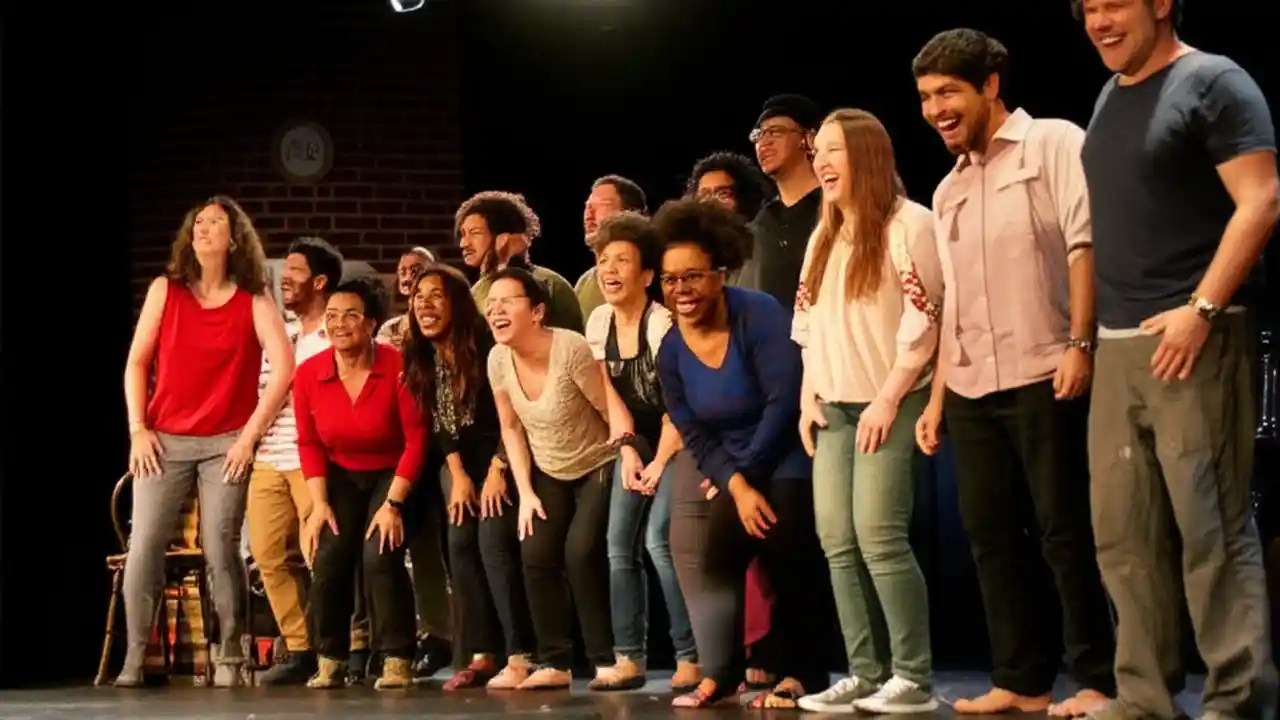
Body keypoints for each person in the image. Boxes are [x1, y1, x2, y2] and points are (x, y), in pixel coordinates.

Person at [1075, 1, 1280, 718]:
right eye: (1089, 8)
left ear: (1160, 3)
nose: (1099, 20)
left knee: (1212, 529)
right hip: (1119, 345)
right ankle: (1144, 699)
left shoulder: (1215, 82)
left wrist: (1202, 310)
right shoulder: (1108, 95)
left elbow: (1260, 201)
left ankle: (1237, 698)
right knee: (1124, 536)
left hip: (1193, 339)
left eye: (1114, 4)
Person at [910, 28, 1118, 716]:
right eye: (926, 97)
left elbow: (1087, 245)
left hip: (1044, 367)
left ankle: (1094, 679)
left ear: (990, 86)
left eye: (948, 93)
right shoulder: (947, 191)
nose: (936, 108)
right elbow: (956, 303)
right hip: (971, 385)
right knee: (991, 536)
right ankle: (1021, 681)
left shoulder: (1054, 142)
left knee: (1064, 530)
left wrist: (1080, 344)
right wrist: (938, 398)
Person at [792, 109, 942, 714]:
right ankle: (864, 670)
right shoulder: (824, 233)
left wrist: (889, 396)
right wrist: (809, 395)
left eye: (834, 150)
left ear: (868, 157)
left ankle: (914, 676)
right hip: (834, 405)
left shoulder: (911, 224)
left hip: (894, 400)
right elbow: (809, 324)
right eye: (818, 151)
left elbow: (927, 319)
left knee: (880, 537)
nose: (822, 162)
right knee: (837, 540)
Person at [654, 198, 829, 709]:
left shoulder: (758, 314)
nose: (681, 290)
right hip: (734, 469)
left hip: (784, 453)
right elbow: (694, 431)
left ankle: (802, 673)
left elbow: (781, 400)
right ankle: (724, 674)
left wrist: (748, 479)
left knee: (786, 547)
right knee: (718, 557)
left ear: (720, 272)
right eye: (669, 280)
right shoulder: (670, 350)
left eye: (692, 277)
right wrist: (736, 485)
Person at [118, 196, 294, 688]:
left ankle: (231, 655)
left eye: (216, 222)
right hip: (164, 439)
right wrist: (138, 428)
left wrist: (249, 438)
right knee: (145, 545)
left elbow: (284, 369)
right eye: (198, 222)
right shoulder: (165, 291)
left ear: (233, 238)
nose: (204, 228)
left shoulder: (254, 301)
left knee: (220, 546)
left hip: (227, 443)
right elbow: (136, 363)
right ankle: (134, 656)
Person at [401, 263, 539, 691]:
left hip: (506, 456)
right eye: (419, 295)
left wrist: (498, 468)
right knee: (459, 543)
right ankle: (481, 653)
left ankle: (521, 653)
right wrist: (457, 473)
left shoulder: (485, 346)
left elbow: (513, 415)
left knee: (493, 541)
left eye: (436, 294)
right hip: (459, 462)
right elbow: (440, 425)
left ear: (457, 304)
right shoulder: (423, 355)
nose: (425, 302)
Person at [487, 267, 623, 690]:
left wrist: (631, 452)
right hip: (549, 468)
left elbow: (608, 410)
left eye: (508, 301)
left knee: (581, 552)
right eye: (491, 305)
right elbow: (510, 428)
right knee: (536, 551)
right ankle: (555, 662)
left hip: (599, 461)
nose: (496, 311)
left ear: (538, 311)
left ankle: (604, 660)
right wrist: (525, 492)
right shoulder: (497, 359)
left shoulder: (570, 348)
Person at [583, 212, 701, 692]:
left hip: (684, 437)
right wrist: (629, 450)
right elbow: (611, 395)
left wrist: (658, 462)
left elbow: (682, 404)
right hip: (639, 440)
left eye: (623, 261)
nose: (610, 270)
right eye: (604, 260)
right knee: (617, 544)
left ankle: (690, 656)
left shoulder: (662, 324)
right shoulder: (599, 320)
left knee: (659, 540)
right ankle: (628, 657)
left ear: (648, 275)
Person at [294, 277, 428, 690]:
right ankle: (330, 657)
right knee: (329, 553)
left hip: (394, 471)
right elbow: (309, 441)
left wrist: (393, 505)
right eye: (331, 316)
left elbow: (417, 437)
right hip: (341, 474)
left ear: (371, 323)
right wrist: (319, 503)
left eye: (351, 315)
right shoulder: (308, 374)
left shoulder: (397, 366)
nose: (339, 324)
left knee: (379, 553)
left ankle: (397, 657)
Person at [247, 236, 355, 685]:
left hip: (316, 462)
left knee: (324, 558)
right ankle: (302, 646)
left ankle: (343, 648)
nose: (284, 278)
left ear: (320, 280)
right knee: (270, 555)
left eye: (293, 270)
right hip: (270, 458)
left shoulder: (337, 335)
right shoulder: (284, 335)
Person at [737, 94, 823, 307]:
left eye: (775, 132)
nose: (763, 143)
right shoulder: (761, 224)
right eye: (759, 135)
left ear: (808, 138)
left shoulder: (835, 207)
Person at [459, 190, 585, 333]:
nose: (464, 243)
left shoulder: (549, 283)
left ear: (504, 237)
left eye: (475, 233)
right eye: (463, 234)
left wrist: (508, 263)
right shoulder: (477, 290)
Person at [686, 151, 773, 290]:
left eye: (723, 194)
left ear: (744, 199)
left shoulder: (762, 244)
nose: (711, 202)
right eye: (704, 194)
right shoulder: (688, 253)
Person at [576, 174, 649, 318]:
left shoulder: (656, 274)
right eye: (587, 207)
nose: (589, 215)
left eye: (603, 205)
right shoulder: (585, 282)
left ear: (632, 213)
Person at [377, 246, 438, 349]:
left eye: (415, 270)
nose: (408, 277)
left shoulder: (440, 323)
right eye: (403, 271)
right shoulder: (391, 328)